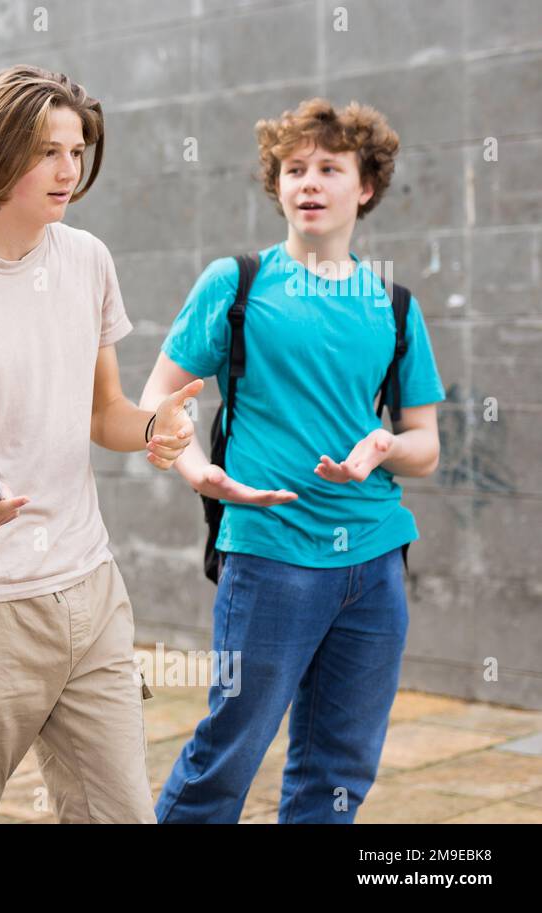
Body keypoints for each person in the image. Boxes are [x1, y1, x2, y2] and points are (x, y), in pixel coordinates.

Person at [0, 65, 202, 824]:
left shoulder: (88, 260)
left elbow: (108, 411)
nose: (69, 170)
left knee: (119, 811)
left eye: (78, 150)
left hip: (89, 589)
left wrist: (158, 427)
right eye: (49, 151)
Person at [141, 98, 444, 823]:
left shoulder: (396, 306)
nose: (309, 181)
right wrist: (195, 471)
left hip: (375, 560)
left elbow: (425, 445)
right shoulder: (237, 284)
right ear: (275, 184)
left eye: (329, 168)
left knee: (341, 765)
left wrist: (384, 447)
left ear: (364, 187)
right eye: (294, 168)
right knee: (229, 753)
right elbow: (158, 403)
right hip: (269, 553)